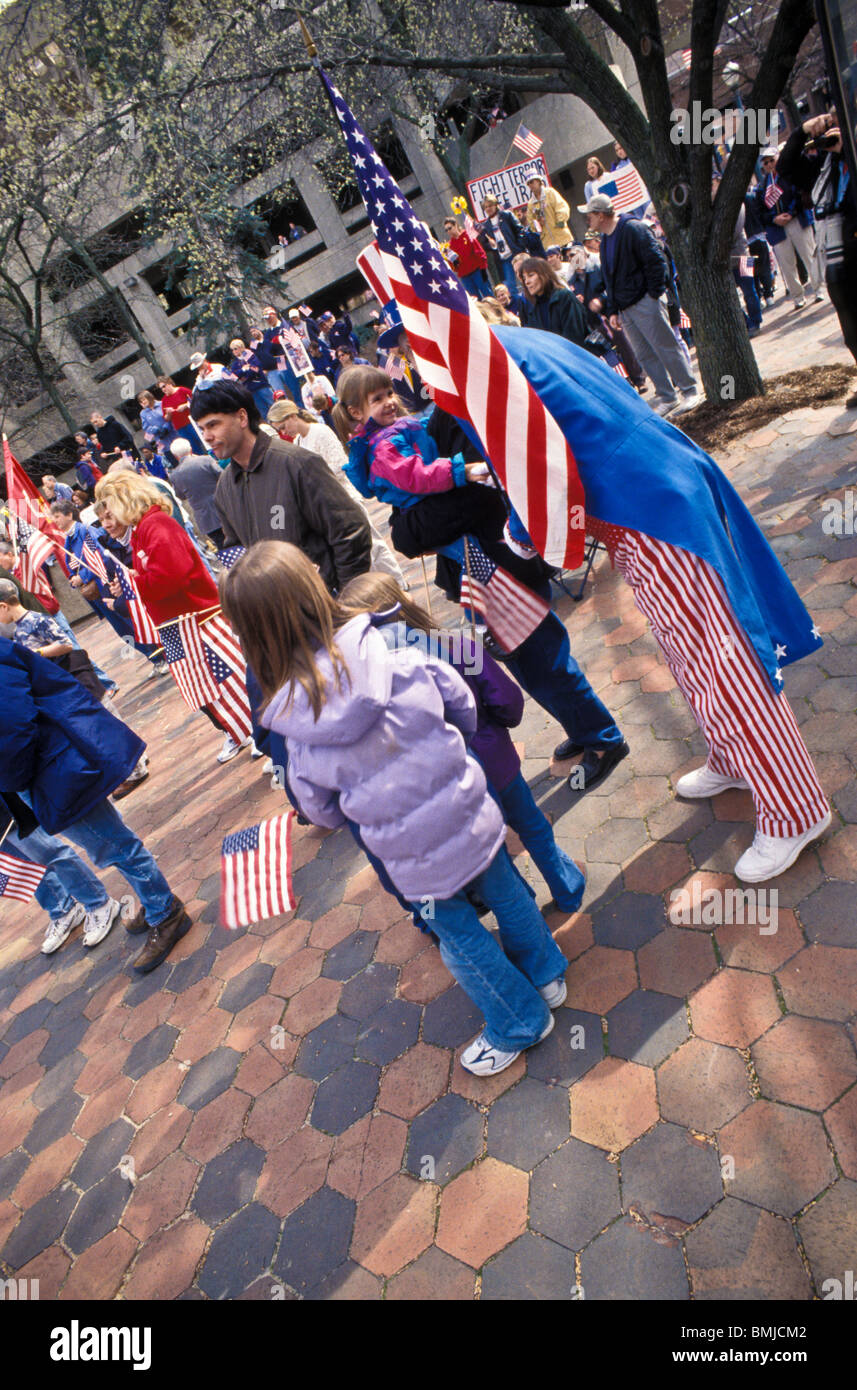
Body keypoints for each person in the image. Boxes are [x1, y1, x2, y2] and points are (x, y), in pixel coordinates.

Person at [481, 315, 832, 881]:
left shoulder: (490, 364)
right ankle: (734, 755)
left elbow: (537, 468)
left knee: (727, 660)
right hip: (646, 498)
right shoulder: (518, 341)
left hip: (649, 508)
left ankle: (796, 808)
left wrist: (523, 533)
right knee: (693, 655)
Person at [221, 541, 569, 1075]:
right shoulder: (401, 652)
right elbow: (463, 706)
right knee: (505, 889)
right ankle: (546, 975)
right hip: (472, 813)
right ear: (316, 588)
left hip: (412, 863)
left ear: (255, 637)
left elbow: (321, 811)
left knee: (458, 935)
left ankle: (519, 1021)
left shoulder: (297, 734)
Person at [335, 365, 628, 790]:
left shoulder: (463, 418)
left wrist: (409, 526)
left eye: (388, 392)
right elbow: (414, 512)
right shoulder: (420, 426)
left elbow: (458, 507)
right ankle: (582, 728)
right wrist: (410, 525)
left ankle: (603, 738)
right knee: (527, 664)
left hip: (503, 561)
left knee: (545, 658)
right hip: (479, 569)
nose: (397, 396)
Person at [342, 572, 586, 913]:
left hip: (449, 781)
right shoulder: (453, 645)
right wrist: (496, 725)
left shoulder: (369, 687)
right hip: (494, 758)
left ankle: (525, 911)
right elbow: (506, 699)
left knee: (495, 853)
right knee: (532, 825)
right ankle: (567, 888)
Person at [1, 638, 191, 972]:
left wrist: (12, 779)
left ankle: (167, 912)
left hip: (45, 768)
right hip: (46, 765)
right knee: (112, 842)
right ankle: (154, 899)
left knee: (113, 845)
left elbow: (14, 726)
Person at [96, 471, 250, 764]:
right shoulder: (143, 531)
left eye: (108, 513)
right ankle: (240, 728)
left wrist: (134, 584)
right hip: (179, 625)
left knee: (228, 678)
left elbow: (170, 577)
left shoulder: (155, 525)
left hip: (198, 620)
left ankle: (254, 728)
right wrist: (133, 583)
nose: (106, 524)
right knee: (206, 687)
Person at [189, 381, 372, 592]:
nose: (207, 436)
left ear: (241, 417)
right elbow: (239, 554)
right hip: (283, 614)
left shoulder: (297, 463)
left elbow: (351, 532)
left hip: (329, 605)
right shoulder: (224, 489)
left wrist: (344, 599)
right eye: (202, 428)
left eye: (213, 425)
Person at [0, 578, 149, 797]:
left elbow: (65, 643)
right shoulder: (20, 629)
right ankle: (136, 761)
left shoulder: (36, 621)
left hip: (77, 678)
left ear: (4, 606)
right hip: (68, 685)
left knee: (105, 724)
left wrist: (38, 654)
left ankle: (134, 770)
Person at [580, 191, 700, 416]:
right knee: (644, 354)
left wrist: (653, 295)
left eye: (590, 215)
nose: (588, 219)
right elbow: (610, 278)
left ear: (601, 215)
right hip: (626, 309)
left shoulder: (633, 228)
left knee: (666, 346)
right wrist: (613, 309)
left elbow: (657, 262)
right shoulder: (606, 240)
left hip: (646, 301)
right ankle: (667, 396)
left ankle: (690, 390)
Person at [266, 400, 406, 582]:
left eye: (284, 427)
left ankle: (398, 582)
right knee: (358, 550)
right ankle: (382, 587)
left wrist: (311, 478)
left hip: (345, 496)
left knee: (373, 543)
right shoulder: (298, 441)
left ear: (293, 416)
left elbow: (340, 464)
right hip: (328, 505)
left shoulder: (320, 431)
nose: (284, 432)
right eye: (280, 430)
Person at [777, 112, 857, 385]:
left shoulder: (851, 158)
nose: (831, 138)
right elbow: (786, 166)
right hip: (835, 254)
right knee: (850, 325)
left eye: (837, 130)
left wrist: (846, 149)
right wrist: (802, 131)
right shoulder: (821, 167)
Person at [2, 803, 133, 956]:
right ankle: (63, 910)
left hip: (8, 810)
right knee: (22, 867)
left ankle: (99, 903)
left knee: (51, 854)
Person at [755, 145, 824, 312]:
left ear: (778, 159)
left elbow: (800, 194)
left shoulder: (789, 175)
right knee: (787, 265)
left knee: (809, 255)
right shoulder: (763, 187)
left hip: (796, 221)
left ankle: (818, 288)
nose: (770, 164)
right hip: (777, 228)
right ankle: (797, 296)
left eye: (772, 160)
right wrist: (774, 218)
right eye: (766, 162)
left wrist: (791, 213)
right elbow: (761, 211)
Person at [712, 173, 762, 338]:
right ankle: (746, 322)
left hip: (742, 255)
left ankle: (756, 321)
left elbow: (735, 229)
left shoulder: (734, 202)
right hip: (724, 260)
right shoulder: (709, 208)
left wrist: (717, 239)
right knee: (730, 296)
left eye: (713, 183)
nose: (711, 187)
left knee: (749, 291)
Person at [517, 257, 592, 348]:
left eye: (531, 275)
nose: (527, 282)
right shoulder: (534, 311)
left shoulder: (564, 297)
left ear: (544, 274)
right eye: (524, 278)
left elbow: (574, 338)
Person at [168, 438, 226, 549]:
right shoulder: (206, 460)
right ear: (190, 449)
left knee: (224, 549)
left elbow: (180, 495)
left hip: (206, 519)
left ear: (175, 456)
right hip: (226, 508)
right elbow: (223, 476)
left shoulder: (175, 475)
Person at [478, 195, 533, 293]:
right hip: (503, 259)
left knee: (527, 280)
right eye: (485, 207)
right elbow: (484, 244)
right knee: (510, 288)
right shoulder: (486, 226)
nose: (488, 209)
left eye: (490, 205)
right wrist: (490, 245)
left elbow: (520, 230)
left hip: (516, 254)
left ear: (495, 205)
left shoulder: (506, 215)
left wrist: (520, 247)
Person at [443, 217, 492, 298]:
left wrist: (483, 270)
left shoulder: (467, 235)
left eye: (450, 228)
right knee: (475, 301)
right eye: (446, 230)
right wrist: (451, 261)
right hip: (465, 277)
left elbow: (480, 252)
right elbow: (454, 267)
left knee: (488, 295)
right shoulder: (449, 246)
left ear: (455, 225)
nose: (449, 231)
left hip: (478, 271)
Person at [225, 338, 275, 416]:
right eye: (232, 350)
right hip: (250, 390)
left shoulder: (251, 356)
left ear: (241, 347)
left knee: (274, 404)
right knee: (263, 411)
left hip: (261, 385)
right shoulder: (235, 364)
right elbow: (234, 376)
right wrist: (243, 370)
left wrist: (245, 375)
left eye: (235, 349)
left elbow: (256, 369)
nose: (234, 351)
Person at [525, 175, 573, 250]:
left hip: (563, 237)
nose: (530, 185)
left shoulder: (550, 192)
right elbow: (531, 222)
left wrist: (560, 222)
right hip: (548, 244)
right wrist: (539, 224)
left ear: (538, 181)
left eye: (532, 182)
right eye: (528, 184)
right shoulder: (531, 204)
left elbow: (561, 207)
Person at [157, 376, 199, 448]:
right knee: (193, 448)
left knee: (203, 441)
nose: (163, 389)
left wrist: (185, 405)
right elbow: (166, 418)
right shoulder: (164, 400)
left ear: (169, 383)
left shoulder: (182, 390)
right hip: (180, 428)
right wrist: (168, 413)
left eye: (164, 386)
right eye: (161, 388)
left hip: (193, 422)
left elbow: (197, 400)